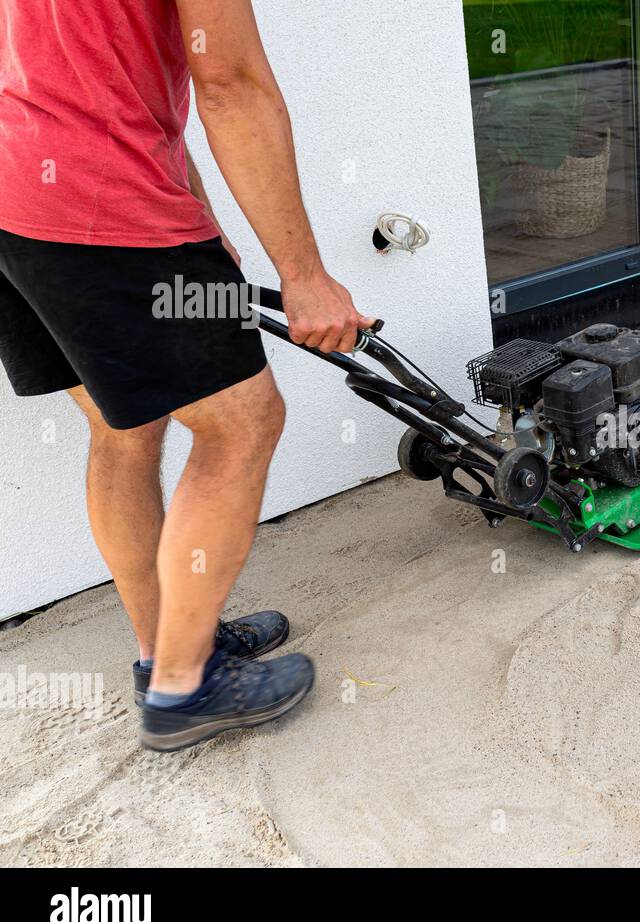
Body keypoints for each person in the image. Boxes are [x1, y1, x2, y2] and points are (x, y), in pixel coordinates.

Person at [0, 0, 372, 750]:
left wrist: (202, 222)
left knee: (123, 425)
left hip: (17, 194)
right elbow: (231, 82)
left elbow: (100, 66)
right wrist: (304, 277)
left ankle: (169, 647)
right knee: (243, 422)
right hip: (100, 202)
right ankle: (183, 688)